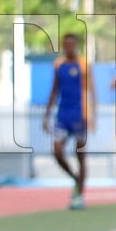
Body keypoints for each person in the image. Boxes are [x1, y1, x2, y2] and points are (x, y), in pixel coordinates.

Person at [43, 33, 92, 208]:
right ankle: (75, 177)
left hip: (79, 115)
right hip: (63, 115)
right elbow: (54, 89)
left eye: (71, 44)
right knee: (57, 151)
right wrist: (47, 114)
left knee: (80, 155)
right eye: (66, 45)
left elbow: (91, 89)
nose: (68, 47)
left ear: (76, 45)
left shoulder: (83, 64)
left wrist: (92, 114)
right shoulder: (59, 65)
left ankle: (79, 194)